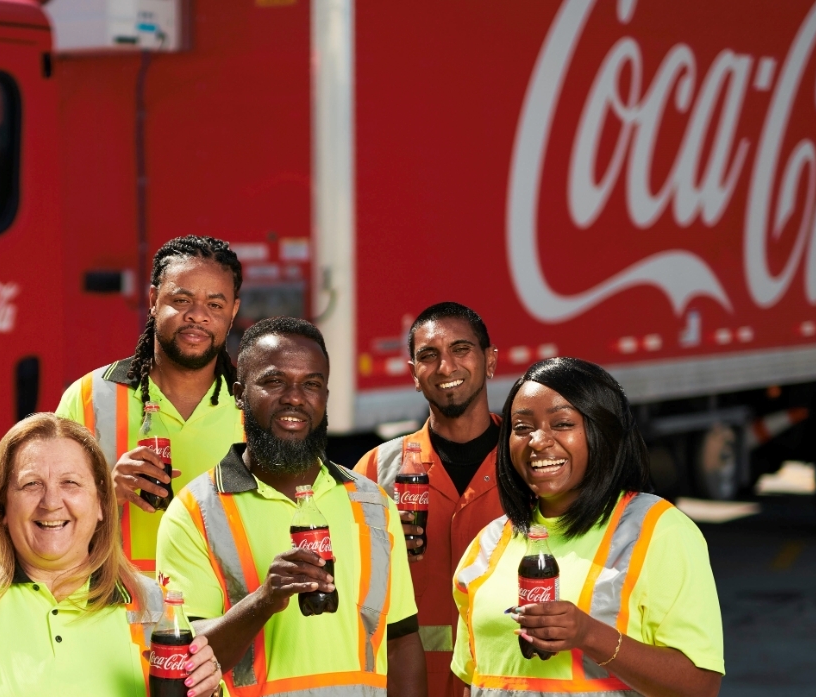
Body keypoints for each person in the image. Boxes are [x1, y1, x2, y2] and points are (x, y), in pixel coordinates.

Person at [157, 317, 427, 697]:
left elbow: (401, 643)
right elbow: (186, 660)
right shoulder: (194, 512)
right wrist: (264, 600)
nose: (295, 398)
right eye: (274, 381)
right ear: (239, 393)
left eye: (311, 384)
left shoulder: (373, 504)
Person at [0, 413, 223, 696]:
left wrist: (208, 690)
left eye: (70, 483)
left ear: (101, 504)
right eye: (31, 484)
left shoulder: (155, 609)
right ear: (2, 506)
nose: (51, 502)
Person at [452, 358, 724, 696]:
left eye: (562, 423)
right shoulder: (490, 542)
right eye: (521, 427)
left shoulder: (657, 529)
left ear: (603, 432)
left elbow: (701, 686)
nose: (538, 440)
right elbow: (473, 681)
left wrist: (589, 635)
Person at [56, 235, 245, 573]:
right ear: (154, 300)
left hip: (220, 603)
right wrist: (105, 492)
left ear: (233, 311)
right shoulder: (90, 396)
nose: (198, 316)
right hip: (116, 599)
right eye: (182, 300)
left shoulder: (254, 405)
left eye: (215, 305)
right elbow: (44, 510)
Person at [354, 302, 503, 697]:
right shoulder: (376, 469)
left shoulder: (525, 462)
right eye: (429, 355)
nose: (445, 367)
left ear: (490, 360)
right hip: (412, 684)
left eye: (461, 349)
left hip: (506, 678)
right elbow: (348, 582)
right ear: (414, 374)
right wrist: (379, 550)